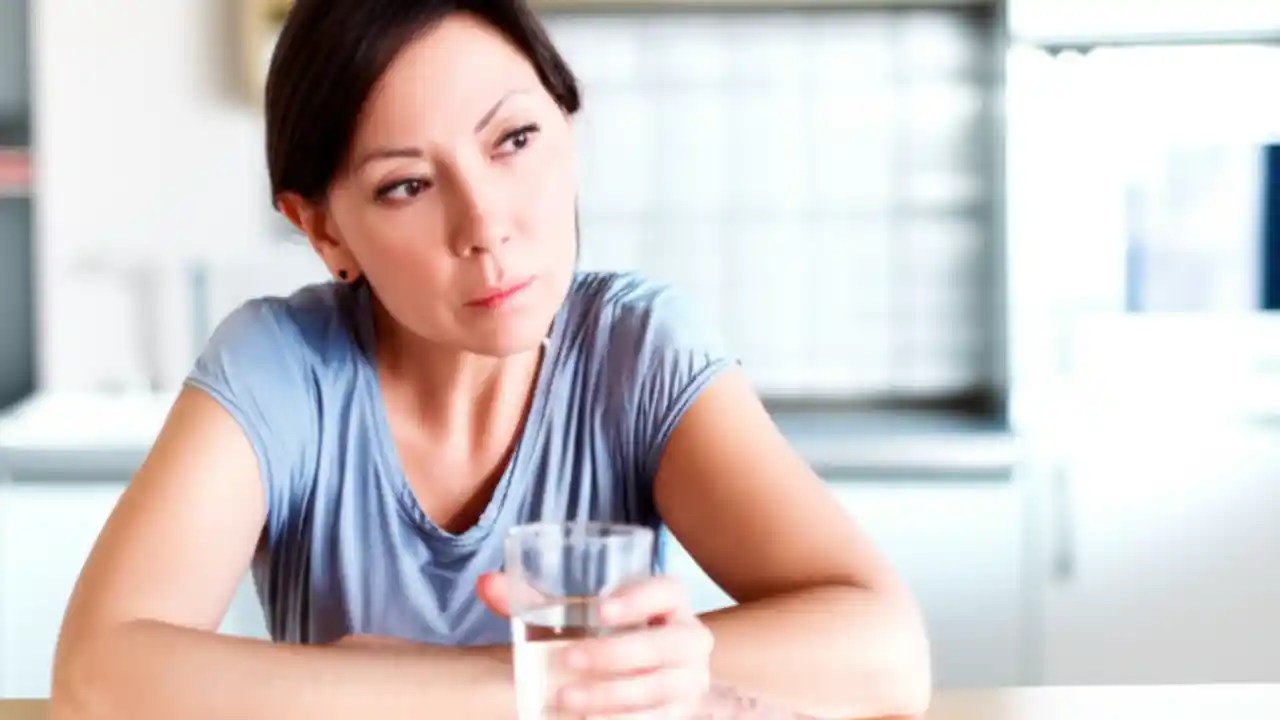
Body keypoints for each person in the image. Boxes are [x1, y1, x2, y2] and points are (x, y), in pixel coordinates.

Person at [50, 1, 931, 718]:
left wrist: (408, 689)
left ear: (567, 126)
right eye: (407, 185)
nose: (486, 226)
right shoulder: (281, 368)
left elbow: (886, 652)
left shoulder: (638, 352)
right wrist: (525, 683)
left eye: (513, 140)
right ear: (323, 230)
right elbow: (97, 682)